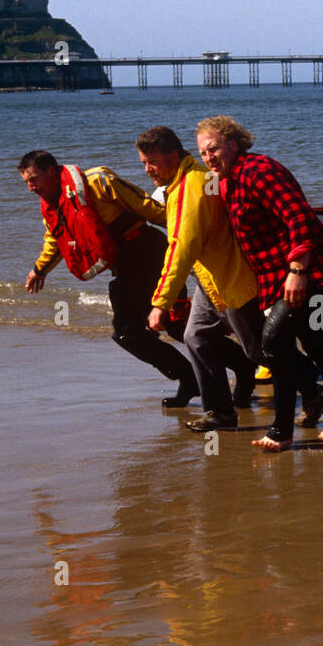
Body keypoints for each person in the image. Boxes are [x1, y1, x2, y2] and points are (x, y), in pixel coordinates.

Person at [196, 116, 323, 451]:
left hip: (308, 274)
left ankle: (281, 431)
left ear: (234, 142)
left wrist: (298, 269)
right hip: (279, 279)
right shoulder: (228, 181)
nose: (209, 157)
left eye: (214, 148)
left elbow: (298, 216)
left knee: (274, 344)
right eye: (203, 153)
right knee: (319, 345)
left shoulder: (259, 170)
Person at [18, 150, 198, 405]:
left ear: (51, 171)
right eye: (26, 182)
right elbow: (55, 241)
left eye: (33, 180)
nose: (30, 188)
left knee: (166, 326)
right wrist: (39, 270)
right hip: (126, 266)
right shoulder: (53, 205)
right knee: (137, 332)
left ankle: (234, 369)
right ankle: (195, 377)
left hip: (150, 253)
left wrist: (194, 235)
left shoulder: (98, 181)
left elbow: (149, 208)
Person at [134, 126, 261, 431]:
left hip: (231, 279)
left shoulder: (190, 187)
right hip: (210, 278)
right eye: (143, 163)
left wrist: (160, 303)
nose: (148, 169)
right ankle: (221, 412)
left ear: (174, 156)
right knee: (197, 337)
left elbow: (181, 248)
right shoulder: (189, 180)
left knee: (260, 349)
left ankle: (314, 390)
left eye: (153, 161)